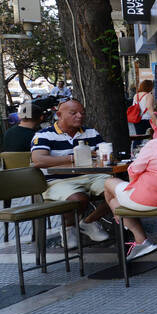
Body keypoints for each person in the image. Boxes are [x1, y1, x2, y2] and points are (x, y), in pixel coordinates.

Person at [104, 100, 157, 260]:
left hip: (151, 199)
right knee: (117, 199)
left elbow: (133, 170)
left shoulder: (155, 145)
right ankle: (126, 221)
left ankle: (138, 237)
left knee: (109, 184)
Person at [30, 98, 111, 249]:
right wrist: (73, 158)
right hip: (58, 181)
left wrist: (103, 155)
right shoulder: (45, 135)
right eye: (73, 113)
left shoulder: (90, 132)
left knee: (119, 189)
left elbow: (103, 153)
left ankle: (88, 222)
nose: (79, 116)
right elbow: (39, 160)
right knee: (77, 199)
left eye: (82, 113)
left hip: (92, 176)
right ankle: (68, 228)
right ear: (59, 115)